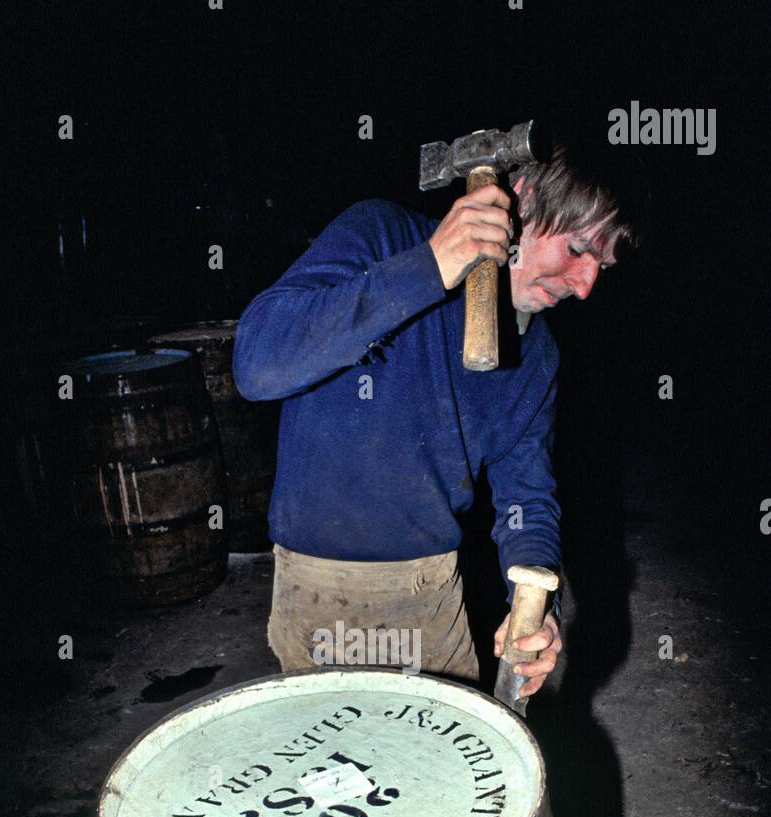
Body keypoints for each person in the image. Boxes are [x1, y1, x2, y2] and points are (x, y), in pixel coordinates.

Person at [232, 138, 638, 695]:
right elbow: (257, 363)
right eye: (577, 249)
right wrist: (429, 268)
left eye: (602, 265)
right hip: (319, 596)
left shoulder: (536, 355)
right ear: (516, 201)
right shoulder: (382, 236)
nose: (586, 285)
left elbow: (527, 498)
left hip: (434, 599)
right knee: (340, 777)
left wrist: (537, 604)